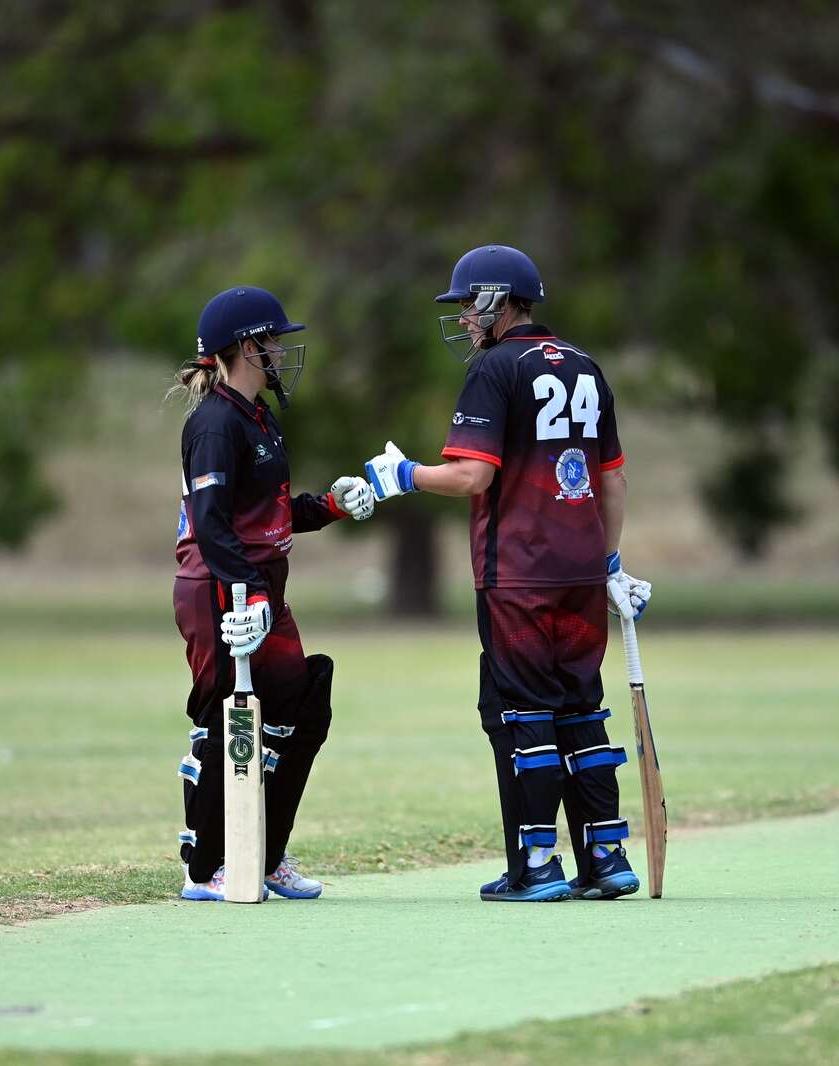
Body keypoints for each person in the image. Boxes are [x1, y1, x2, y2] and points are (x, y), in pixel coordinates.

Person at [364, 244, 651, 902]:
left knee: (523, 714)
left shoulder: (495, 369)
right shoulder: (584, 365)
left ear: (498, 299)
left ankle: (537, 866)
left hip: (518, 573)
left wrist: (400, 476)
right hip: (579, 572)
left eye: (469, 303)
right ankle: (605, 857)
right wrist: (607, 561)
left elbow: (474, 475)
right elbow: (613, 481)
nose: (464, 316)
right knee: (581, 711)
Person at [171, 285, 374, 902]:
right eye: (271, 341)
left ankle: (265, 852)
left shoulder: (260, 418)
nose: (281, 352)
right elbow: (210, 524)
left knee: (302, 709)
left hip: (261, 591)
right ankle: (207, 866)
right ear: (240, 347)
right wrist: (245, 594)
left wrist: (333, 505)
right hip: (218, 590)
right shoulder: (212, 425)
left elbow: (272, 516)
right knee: (225, 720)